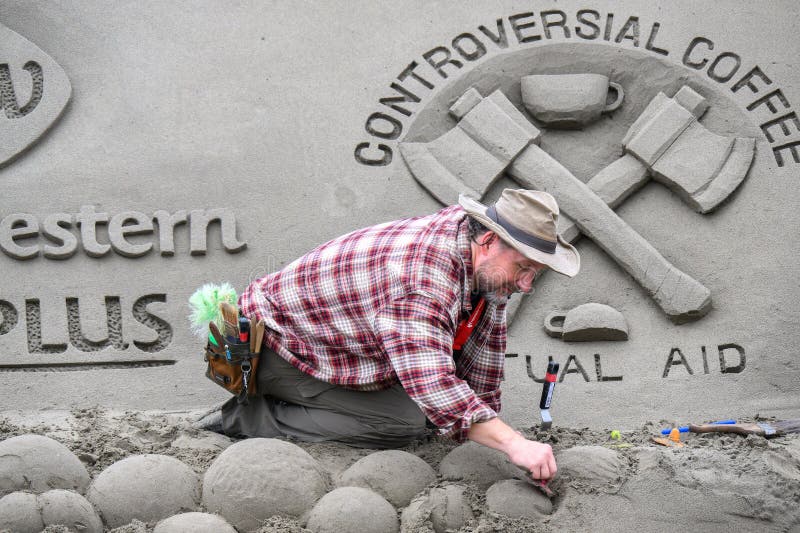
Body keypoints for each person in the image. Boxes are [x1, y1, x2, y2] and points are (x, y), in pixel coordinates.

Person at [197, 188, 579, 481]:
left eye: (536, 273)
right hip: (273, 347)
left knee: (435, 416)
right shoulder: (421, 279)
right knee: (402, 422)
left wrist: (493, 428)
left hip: (336, 345)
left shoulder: (483, 264)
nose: (527, 284)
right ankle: (249, 418)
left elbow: (484, 355)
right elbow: (431, 382)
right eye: (524, 268)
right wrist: (512, 443)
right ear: (490, 240)